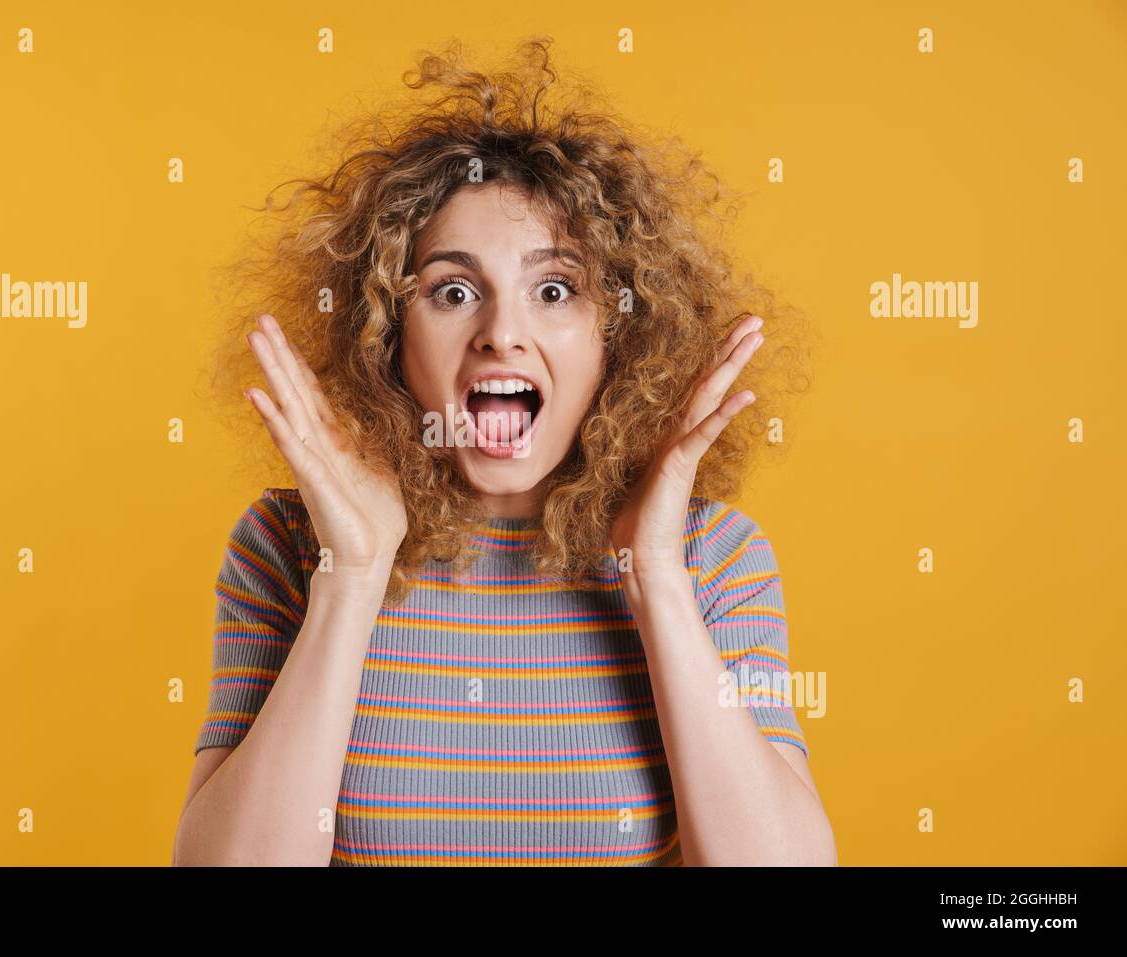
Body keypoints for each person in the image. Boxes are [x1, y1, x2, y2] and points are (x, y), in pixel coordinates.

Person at [173, 38, 835, 866]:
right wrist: (353, 575)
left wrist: (655, 573)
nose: (502, 334)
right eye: (453, 290)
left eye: (554, 289)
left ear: (616, 336)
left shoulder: (716, 558)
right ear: (384, 335)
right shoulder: (290, 544)